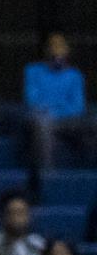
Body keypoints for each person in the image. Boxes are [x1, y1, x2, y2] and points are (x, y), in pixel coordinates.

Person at [24, 31, 97, 172]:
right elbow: (33, 102)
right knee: (42, 120)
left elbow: (78, 107)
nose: (57, 51)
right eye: (53, 46)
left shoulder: (75, 75)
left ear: (67, 50)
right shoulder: (32, 71)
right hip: (43, 120)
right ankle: (48, 174)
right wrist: (56, 110)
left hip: (69, 121)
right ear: (46, 50)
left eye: (61, 46)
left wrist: (54, 110)